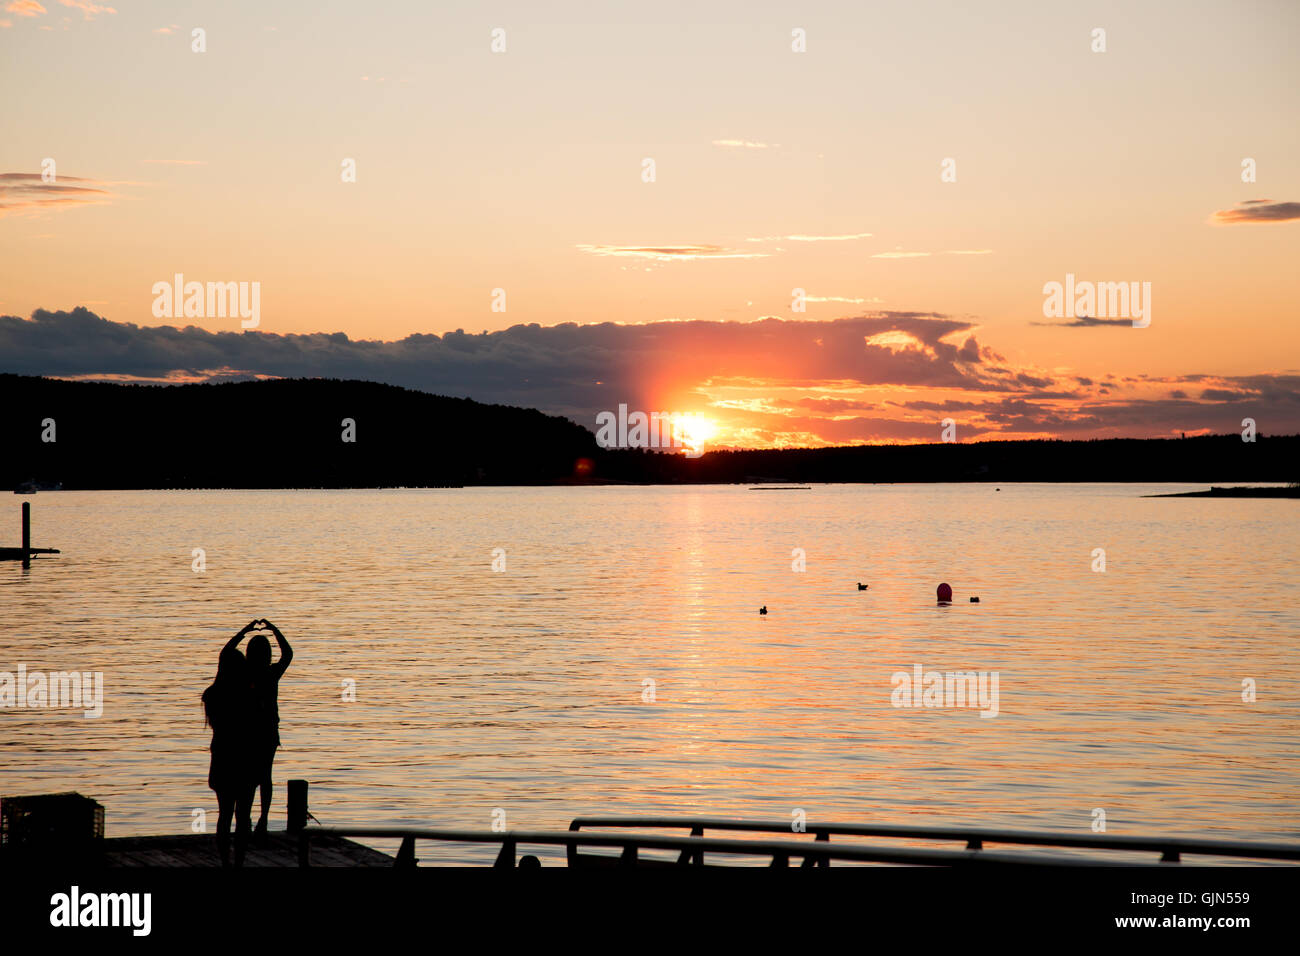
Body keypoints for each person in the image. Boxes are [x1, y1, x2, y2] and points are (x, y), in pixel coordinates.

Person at [203, 620, 260, 867]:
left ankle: (226, 861)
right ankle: (239, 862)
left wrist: (243, 632)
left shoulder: (213, 695)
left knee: (224, 815)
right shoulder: (248, 695)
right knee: (243, 816)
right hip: (245, 759)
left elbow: (225, 654)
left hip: (222, 758)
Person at [243, 619, 293, 839]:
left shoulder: (244, 675)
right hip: (268, 733)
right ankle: (262, 818)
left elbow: (225, 655)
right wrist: (275, 630)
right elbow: (288, 654)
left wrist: (244, 631)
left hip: (249, 733)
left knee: (249, 777)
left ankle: (247, 819)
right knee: (265, 776)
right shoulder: (271, 674)